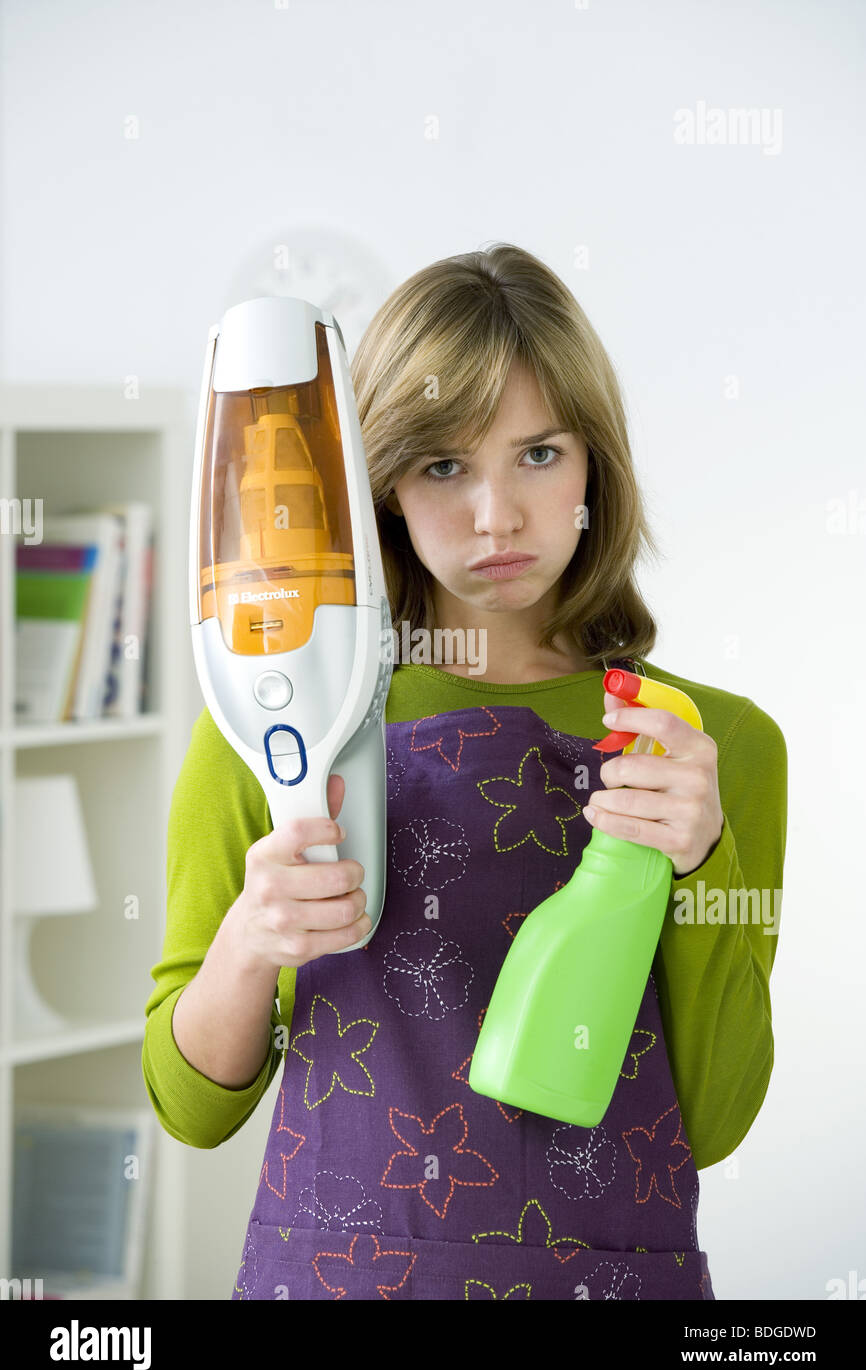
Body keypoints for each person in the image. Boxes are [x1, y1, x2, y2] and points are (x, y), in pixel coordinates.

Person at [143, 242, 787, 1301]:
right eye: (443, 464)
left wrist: (702, 861)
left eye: (539, 454)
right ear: (379, 483)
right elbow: (189, 1106)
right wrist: (249, 940)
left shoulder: (708, 747)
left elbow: (708, 1125)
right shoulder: (273, 727)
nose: (496, 517)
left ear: (595, 466)